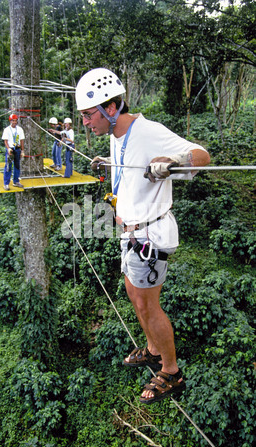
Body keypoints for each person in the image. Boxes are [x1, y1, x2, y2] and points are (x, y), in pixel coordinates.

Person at [75, 68, 211, 405]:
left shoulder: (149, 131)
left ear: (111, 106)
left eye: (88, 115)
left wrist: (174, 160)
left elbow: (202, 157)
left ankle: (171, 371)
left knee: (149, 308)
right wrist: (111, 162)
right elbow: (131, 159)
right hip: (131, 232)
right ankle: (152, 349)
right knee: (135, 298)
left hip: (150, 234)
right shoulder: (117, 133)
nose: (84, 124)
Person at [2, 113, 25, 190]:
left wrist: (22, 150)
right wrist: (8, 148)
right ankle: (6, 184)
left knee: (17, 166)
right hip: (11, 149)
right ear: (10, 121)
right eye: (13, 121)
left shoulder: (20, 129)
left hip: (17, 148)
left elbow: (21, 140)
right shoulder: (7, 130)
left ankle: (16, 181)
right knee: (8, 166)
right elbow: (5, 141)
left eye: (15, 121)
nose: (14, 122)